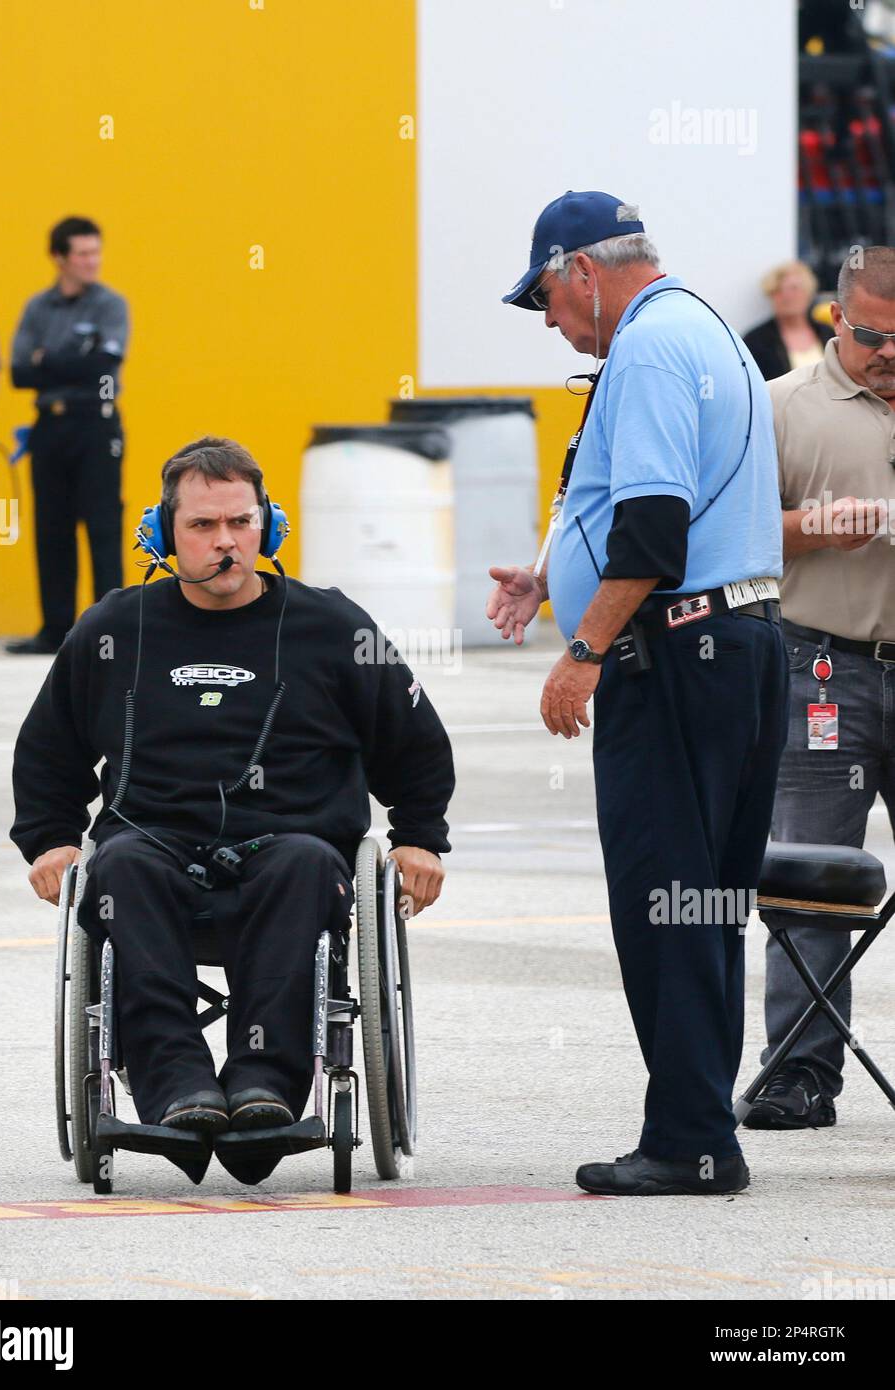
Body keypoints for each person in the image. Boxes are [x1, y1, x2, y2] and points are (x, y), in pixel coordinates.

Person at [10, 436, 454, 1182]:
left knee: (306, 862)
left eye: (239, 524)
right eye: (202, 527)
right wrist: (51, 841)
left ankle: (263, 1091)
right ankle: (177, 1087)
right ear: (162, 533)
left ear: (267, 527)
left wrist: (419, 838)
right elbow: (47, 751)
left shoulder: (332, 628)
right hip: (152, 849)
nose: (224, 543)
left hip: (291, 848)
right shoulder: (114, 630)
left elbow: (414, 743)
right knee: (116, 862)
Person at [489, 190, 787, 1196]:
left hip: (675, 657)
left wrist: (582, 644)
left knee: (664, 900)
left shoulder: (650, 351)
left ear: (581, 269)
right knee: (701, 901)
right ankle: (699, 1129)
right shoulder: (700, 329)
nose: (548, 323)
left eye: (543, 297)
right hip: (734, 645)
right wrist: (551, 575)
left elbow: (653, 532)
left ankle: (689, 1140)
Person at [745, 245, 895, 1130]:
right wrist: (812, 527)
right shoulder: (780, 406)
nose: (888, 353)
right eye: (874, 334)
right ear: (838, 318)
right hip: (822, 667)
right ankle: (798, 1071)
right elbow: (731, 538)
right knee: (813, 877)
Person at [7, 216, 129, 655]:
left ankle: (109, 630)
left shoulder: (111, 305)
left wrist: (48, 360)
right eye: (82, 254)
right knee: (51, 528)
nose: (92, 262)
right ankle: (54, 629)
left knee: (102, 525)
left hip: (96, 423)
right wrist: (75, 356)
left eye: (96, 252)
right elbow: (19, 372)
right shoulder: (38, 308)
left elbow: (103, 366)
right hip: (50, 425)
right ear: (59, 257)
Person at [743, 260, 833, 381]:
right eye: (778, 290)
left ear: (808, 292)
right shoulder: (756, 341)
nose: (787, 295)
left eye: (794, 288)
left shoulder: (827, 333)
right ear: (771, 295)